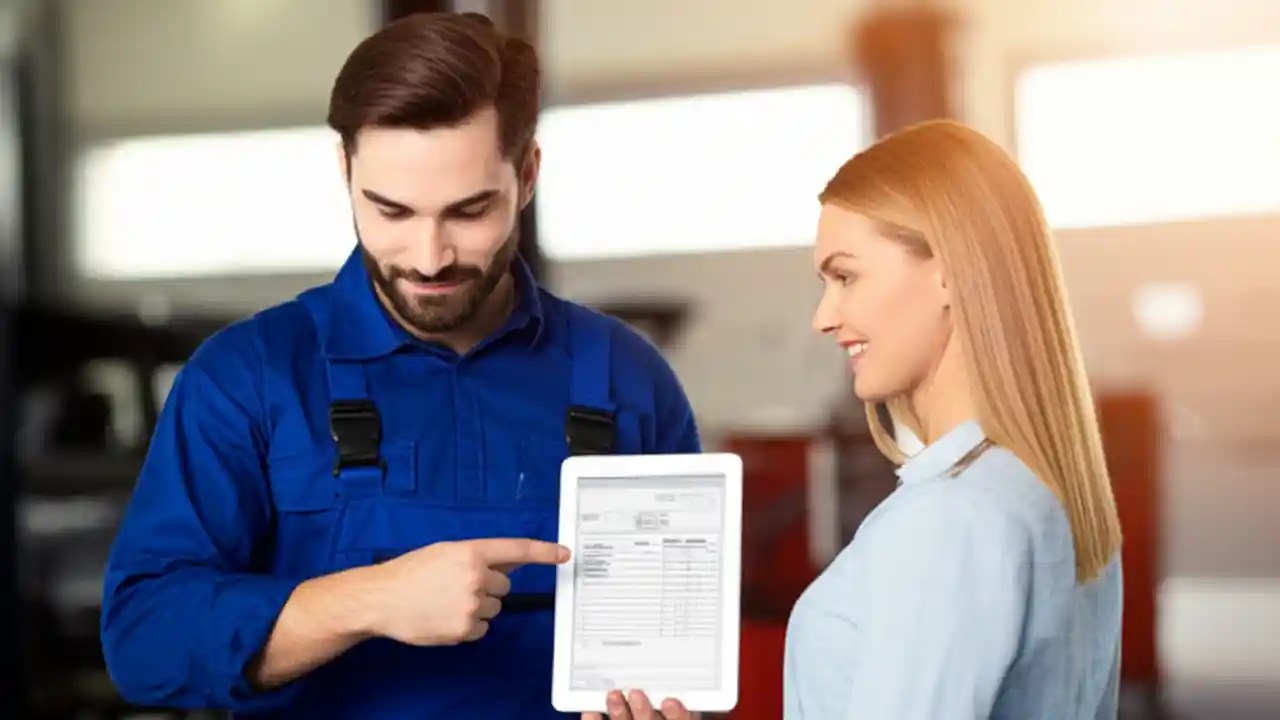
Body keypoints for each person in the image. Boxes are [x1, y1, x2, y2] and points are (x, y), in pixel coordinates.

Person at [100, 12, 700, 719]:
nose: (428, 256)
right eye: (390, 211)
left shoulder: (629, 378)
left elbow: (683, 651)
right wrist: (367, 600)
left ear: (528, 174)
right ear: (345, 171)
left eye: (469, 212)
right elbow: (144, 642)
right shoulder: (249, 377)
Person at [606, 120, 1124, 720]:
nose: (824, 317)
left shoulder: (949, 521)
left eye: (846, 276)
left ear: (949, 269)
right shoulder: (1051, 495)